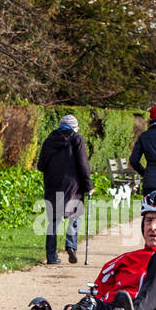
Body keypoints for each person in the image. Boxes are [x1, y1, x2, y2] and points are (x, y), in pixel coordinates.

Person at [36, 113, 91, 265]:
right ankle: (71, 245)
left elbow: (41, 165)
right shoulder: (77, 138)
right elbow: (83, 164)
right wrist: (88, 186)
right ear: (74, 127)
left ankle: (51, 256)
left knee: (54, 220)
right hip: (73, 184)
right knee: (75, 215)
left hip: (53, 184)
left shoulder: (49, 140)